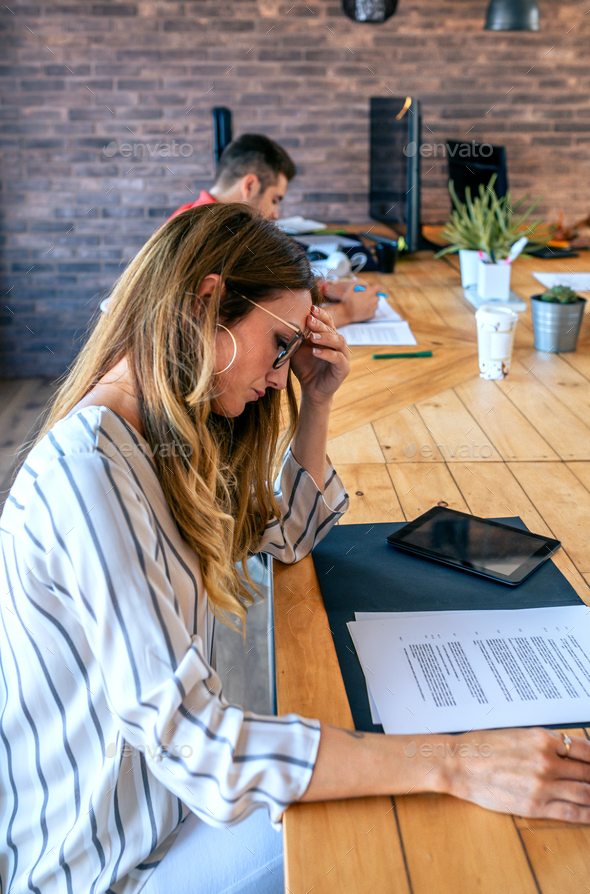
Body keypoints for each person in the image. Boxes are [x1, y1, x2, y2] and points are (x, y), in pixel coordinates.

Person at [2, 205, 589, 894]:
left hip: (161, 808)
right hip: (110, 864)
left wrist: (319, 399)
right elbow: (202, 744)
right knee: (416, 811)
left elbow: (283, 537)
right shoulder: (92, 477)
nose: (280, 375)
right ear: (206, 304)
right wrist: (454, 759)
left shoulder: (157, 439)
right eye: (278, 344)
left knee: (398, 782)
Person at [170, 132, 382, 327]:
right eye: (274, 199)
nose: (276, 213)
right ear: (250, 186)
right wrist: (348, 312)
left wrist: (323, 290)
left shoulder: (192, 216)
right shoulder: (211, 234)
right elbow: (264, 324)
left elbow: (260, 290)